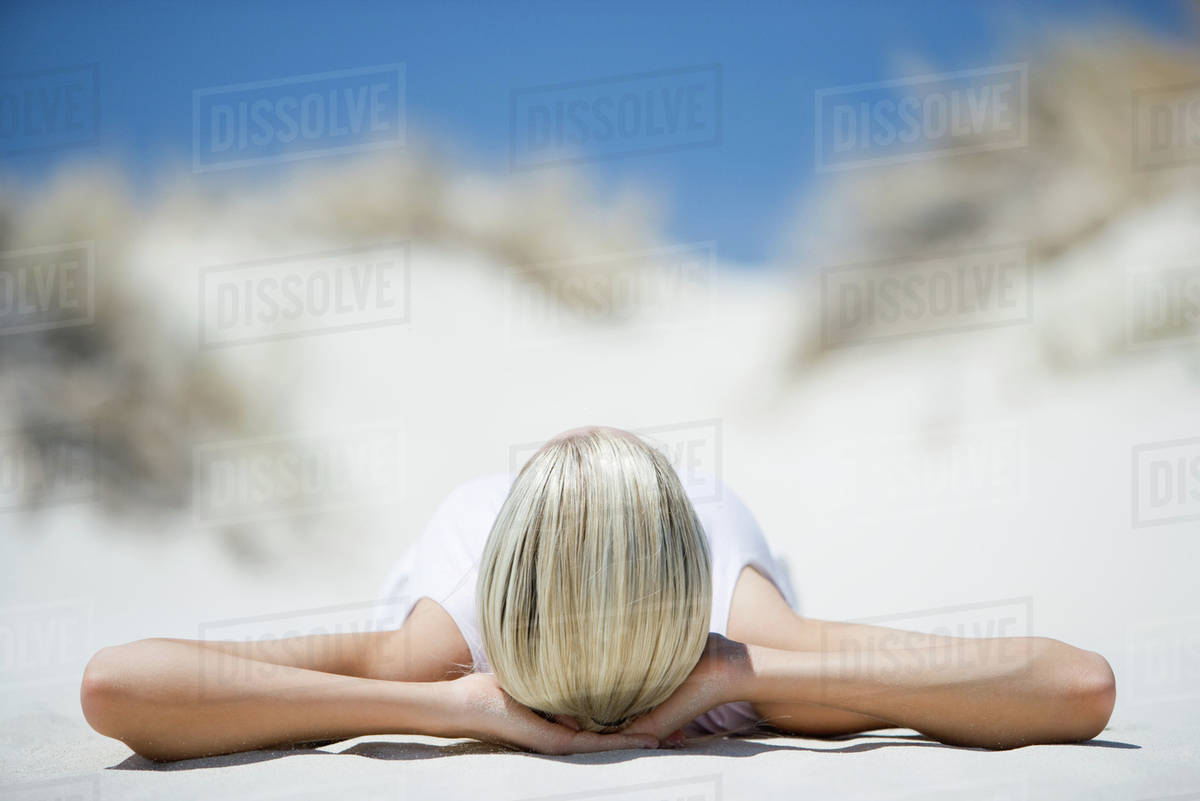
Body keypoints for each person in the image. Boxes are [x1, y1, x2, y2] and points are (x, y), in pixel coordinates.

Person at [80, 426, 1115, 761]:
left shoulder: (740, 635)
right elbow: (117, 686)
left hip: (671, 537)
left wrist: (724, 674)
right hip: (537, 538)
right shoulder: (453, 635)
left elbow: (1077, 687)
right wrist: (441, 701)